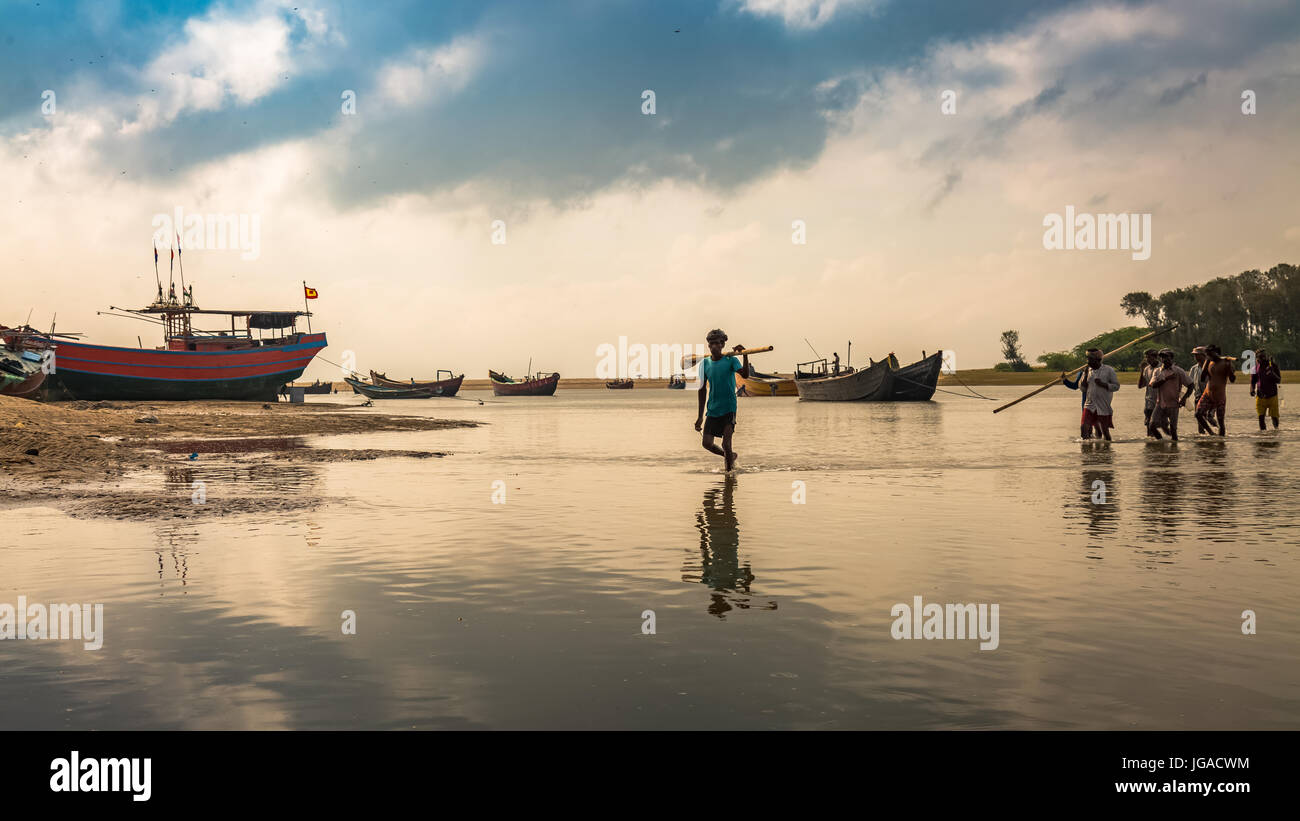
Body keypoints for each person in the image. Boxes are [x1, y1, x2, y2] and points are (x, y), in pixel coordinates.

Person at [695, 329, 749, 472]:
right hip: (713, 409)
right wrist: (700, 416)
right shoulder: (705, 364)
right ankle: (730, 456)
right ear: (708, 346)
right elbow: (701, 390)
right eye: (711, 344)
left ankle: (729, 476)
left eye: (717, 343)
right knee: (706, 443)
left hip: (729, 408)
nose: (714, 347)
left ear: (723, 344)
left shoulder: (731, 360)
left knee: (726, 443)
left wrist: (744, 355)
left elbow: (745, 375)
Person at [1147, 348, 1193, 441]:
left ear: (1172, 358)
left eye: (1166, 357)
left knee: (1173, 430)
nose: (1164, 360)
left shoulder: (1178, 371)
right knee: (1151, 426)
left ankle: (1174, 450)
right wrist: (1166, 379)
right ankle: (1161, 442)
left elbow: (1191, 385)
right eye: (1162, 357)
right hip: (1160, 404)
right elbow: (1153, 385)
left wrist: (1184, 399)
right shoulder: (1157, 371)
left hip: (1173, 404)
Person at [1080, 348, 1119, 441]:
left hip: (1103, 405)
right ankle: (1087, 453)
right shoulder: (1087, 371)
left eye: (1090, 359)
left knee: (1105, 432)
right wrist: (1085, 376)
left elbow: (1116, 386)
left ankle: (1105, 452)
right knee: (1083, 428)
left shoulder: (1109, 370)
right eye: (1087, 359)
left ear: (1098, 359)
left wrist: (1103, 384)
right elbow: (1082, 388)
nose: (1088, 361)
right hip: (1089, 405)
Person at [1198, 345, 1236, 436]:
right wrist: (1207, 362)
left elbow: (1232, 379)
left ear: (1216, 354)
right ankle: (1211, 433)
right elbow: (1202, 378)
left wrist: (1229, 366)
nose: (1208, 357)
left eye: (1209, 355)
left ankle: (1221, 441)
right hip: (1208, 393)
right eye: (1207, 355)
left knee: (1220, 422)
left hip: (1220, 396)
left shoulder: (1225, 363)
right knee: (1198, 414)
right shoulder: (1209, 362)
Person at [1250, 348, 1281, 430]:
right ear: (1257, 358)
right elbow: (1253, 381)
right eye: (1260, 357)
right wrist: (1252, 389)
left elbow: (1278, 380)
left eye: (1264, 356)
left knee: (1274, 418)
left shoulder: (1273, 366)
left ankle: (1276, 431)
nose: (1262, 359)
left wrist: (1272, 373)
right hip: (1260, 396)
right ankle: (1263, 436)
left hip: (1272, 396)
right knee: (1261, 418)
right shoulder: (1255, 368)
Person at [1186, 346, 1214, 433]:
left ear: (1204, 355)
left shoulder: (1211, 366)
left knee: (1210, 418)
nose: (1196, 357)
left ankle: (1216, 432)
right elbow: (1190, 383)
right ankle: (1203, 436)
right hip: (1198, 397)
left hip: (1211, 397)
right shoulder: (1194, 368)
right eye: (1195, 355)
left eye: (1197, 355)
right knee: (1199, 420)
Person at [1137, 349, 1162, 438]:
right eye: (1146, 357)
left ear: (1155, 357)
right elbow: (1140, 385)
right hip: (1149, 401)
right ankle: (1151, 443)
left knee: (1160, 424)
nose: (1147, 359)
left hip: (1161, 401)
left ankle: (1163, 440)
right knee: (1148, 424)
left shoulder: (1162, 367)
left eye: (1149, 357)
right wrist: (1141, 370)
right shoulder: (1147, 369)